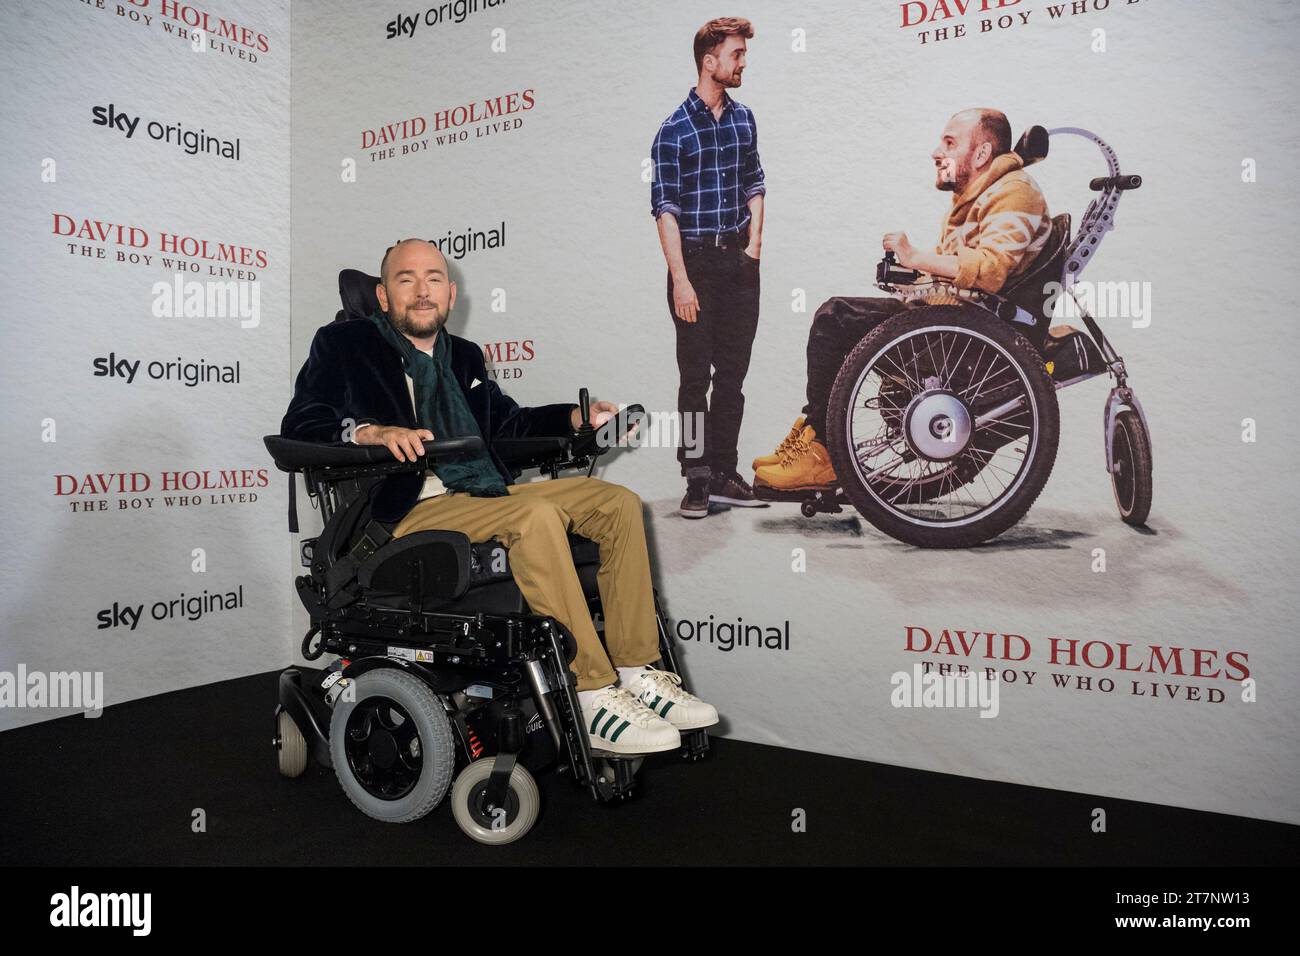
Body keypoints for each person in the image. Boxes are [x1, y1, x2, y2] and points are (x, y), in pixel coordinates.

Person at [280, 238, 718, 755]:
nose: (422, 291)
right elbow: (301, 426)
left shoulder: (460, 356)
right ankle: (591, 690)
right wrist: (368, 432)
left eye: (434, 279)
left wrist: (576, 419)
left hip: (476, 493)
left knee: (615, 501)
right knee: (533, 514)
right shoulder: (345, 346)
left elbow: (507, 425)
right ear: (382, 295)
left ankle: (636, 670)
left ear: (450, 293)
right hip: (402, 512)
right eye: (406, 279)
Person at [754, 108, 1052, 490]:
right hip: (958, 324)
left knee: (836, 319)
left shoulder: (1015, 191)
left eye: (949, 143)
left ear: (981, 155)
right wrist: (917, 277)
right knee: (835, 313)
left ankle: (823, 452)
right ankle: (813, 435)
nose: (935, 153)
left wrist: (918, 257)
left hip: (974, 341)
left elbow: (991, 270)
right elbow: (964, 270)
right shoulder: (981, 194)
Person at [651, 16, 769, 518]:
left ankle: (724, 471)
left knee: (734, 377)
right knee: (694, 379)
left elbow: (755, 183)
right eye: (737, 54)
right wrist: (681, 281)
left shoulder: (744, 119)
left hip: (738, 261)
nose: (743, 62)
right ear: (710, 61)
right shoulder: (673, 131)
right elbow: (665, 210)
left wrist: (754, 250)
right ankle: (696, 478)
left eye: (743, 53)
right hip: (694, 263)